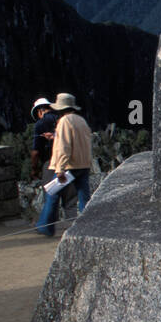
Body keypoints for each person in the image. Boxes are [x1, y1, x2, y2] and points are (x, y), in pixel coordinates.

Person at [36, 92, 94, 237]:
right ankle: (88, 228)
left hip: (69, 167)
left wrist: (60, 169)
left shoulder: (64, 122)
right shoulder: (82, 121)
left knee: (53, 194)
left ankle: (45, 227)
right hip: (84, 164)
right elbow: (82, 141)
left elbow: (64, 146)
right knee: (84, 197)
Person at [29, 98, 56, 183]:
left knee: (50, 193)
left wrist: (34, 170)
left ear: (40, 111)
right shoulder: (61, 119)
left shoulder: (40, 124)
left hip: (50, 163)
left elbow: (35, 152)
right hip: (68, 161)